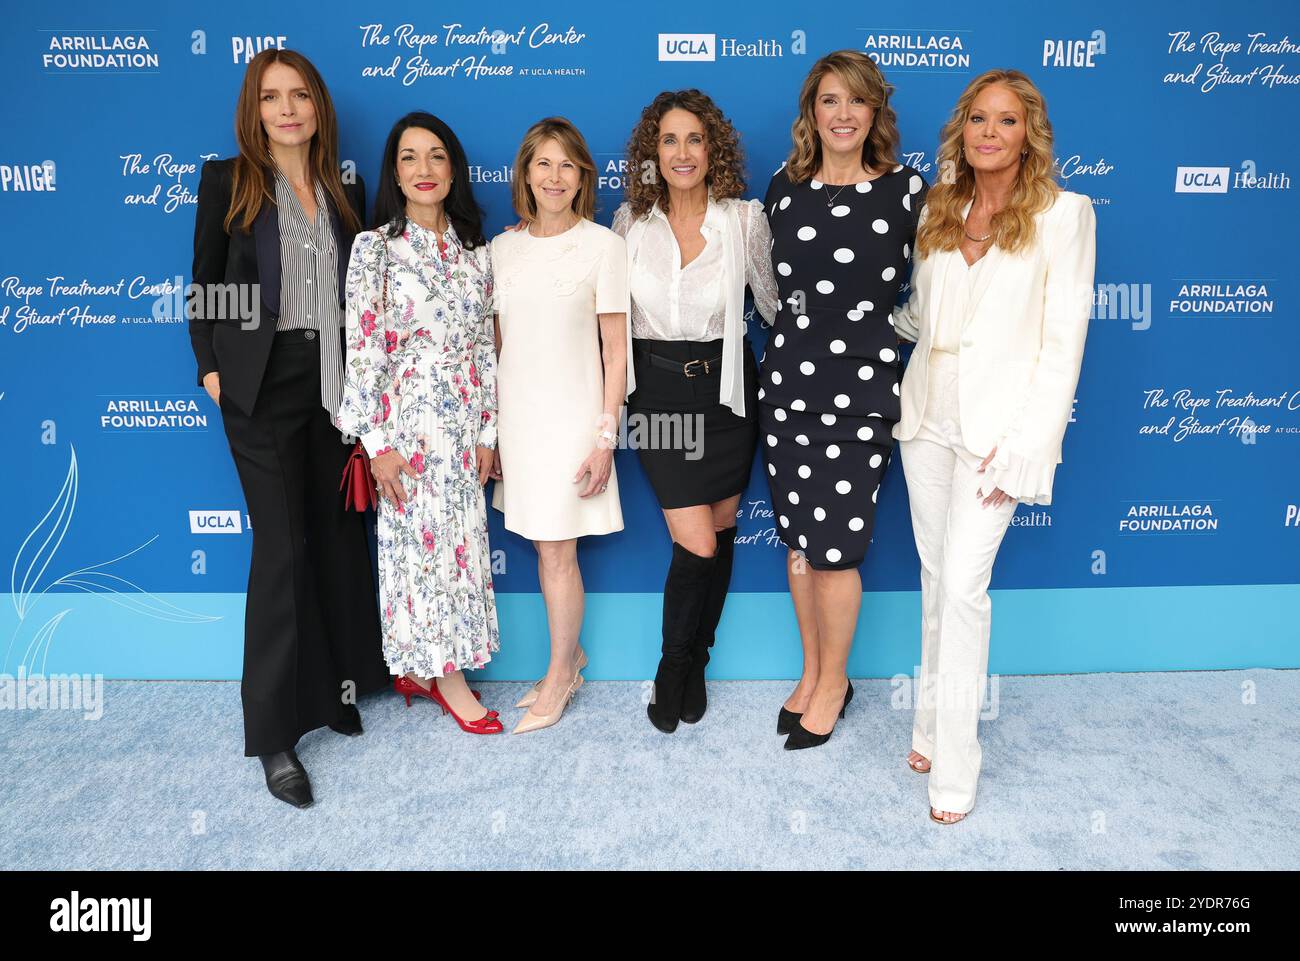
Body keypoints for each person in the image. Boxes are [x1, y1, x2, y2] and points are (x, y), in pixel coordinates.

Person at [892, 69, 1096, 824]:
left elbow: (1061, 344)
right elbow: (919, 318)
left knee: (965, 590)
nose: (988, 132)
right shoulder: (940, 209)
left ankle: (956, 765)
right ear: (963, 130)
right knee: (936, 577)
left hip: (996, 437)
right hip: (926, 422)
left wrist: (1025, 447)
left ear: (1028, 135)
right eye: (978, 118)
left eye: (1005, 121)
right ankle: (926, 724)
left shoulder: (1064, 215)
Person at [188, 49, 389, 808]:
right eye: (272, 97)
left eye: (300, 94)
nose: (287, 109)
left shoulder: (346, 185)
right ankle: (274, 732)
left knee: (336, 535)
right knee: (282, 548)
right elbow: (203, 285)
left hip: (333, 388)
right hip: (261, 386)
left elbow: (360, 287)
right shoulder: (226, 180)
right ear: (255, 107)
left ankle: (339, 689)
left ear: (318, 106)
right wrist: (210, 368)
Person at [759, 50, 927, 749]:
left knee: (834, 549)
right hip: (789, 387)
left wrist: (882, 340)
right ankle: (813, 670)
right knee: (799, 542)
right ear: (812, 112)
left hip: (860, 396)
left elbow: (935, 290)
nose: (844, 114)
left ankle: (836, 683)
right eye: (830, 101)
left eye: (857, 101)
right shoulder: (783, 188)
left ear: (875, 112)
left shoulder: (908, 191)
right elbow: (769, 295)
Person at [612, 89, 778, 732]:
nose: (682, 153)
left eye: (694, 140)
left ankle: (698, 661)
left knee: (723, 530)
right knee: (697, 540)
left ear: (714, 150)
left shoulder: (743, 219)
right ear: (653, 151)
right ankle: (671, 666)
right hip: (657, 397)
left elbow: (770, 305)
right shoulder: (630, 222)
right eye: (670, 140)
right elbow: (608, 315)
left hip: (729, 394)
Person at [337, 112, 503, 736]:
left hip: (462, 431)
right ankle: (445, 677)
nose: (425, 169)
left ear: (453, 168)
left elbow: (485, 349)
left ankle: (431, 666)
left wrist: (488, 432)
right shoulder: (375, 248)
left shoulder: (474, 253)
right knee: (418, 555)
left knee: (460, 551)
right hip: (405, 429)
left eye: (436, 156)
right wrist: (376, 445)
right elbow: (365, 347)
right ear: (395, 172)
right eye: (410, 158)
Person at [490, 117, 628, 734]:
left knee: (555, 552)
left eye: (567, 165)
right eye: (543, 164)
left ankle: (559, 675)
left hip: (574, 422)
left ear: (582, 178)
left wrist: (605, 439)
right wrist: (489, 434)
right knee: (546, 549)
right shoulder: (499, 250)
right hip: (518, 423)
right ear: (525, 174)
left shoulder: (604, 247)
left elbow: (616, 353)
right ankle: (568, 655)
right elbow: (493, 350)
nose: (554, 176)